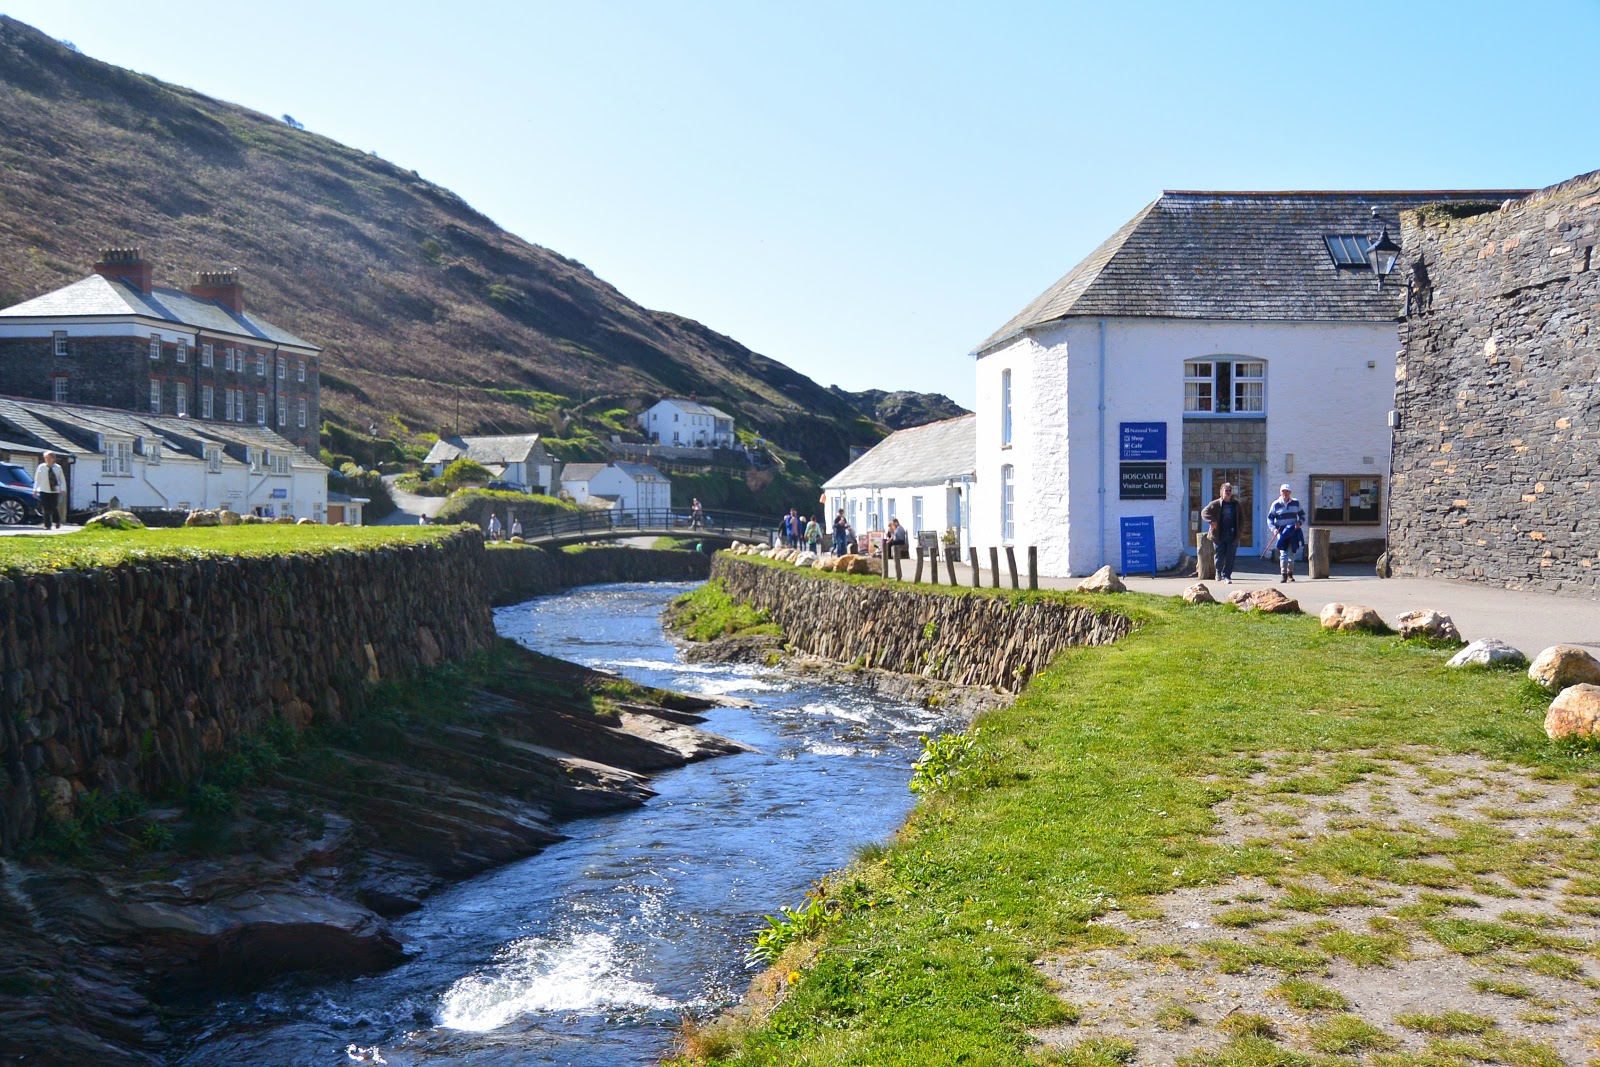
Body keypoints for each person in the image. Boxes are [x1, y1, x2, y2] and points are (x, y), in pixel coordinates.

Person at [1200, 482, 1243, 584]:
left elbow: (1242, 518)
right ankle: (1218, 572)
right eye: (1226, 491)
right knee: (1219, 556)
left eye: (1229, 491)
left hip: (1232, 534)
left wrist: (1239, 530)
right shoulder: (1216, 504)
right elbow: (1204, 512)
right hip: (1218, 534)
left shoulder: (1236, 504)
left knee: (1230, 557)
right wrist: (1212, 521)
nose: (1228, 493)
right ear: (1221, 492)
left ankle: (1227, 576)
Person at [1267, 483, 1306, 583]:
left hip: (1293, 531)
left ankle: (1290, 574)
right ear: (1280, 492)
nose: (1285, 493)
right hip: (1281, 532)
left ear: (1290, 492)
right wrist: (1274, 529)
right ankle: (1283, 575)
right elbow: (1270, 518)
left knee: (1292, 553)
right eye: (1283, 491)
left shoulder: (1296, 503)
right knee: (1283, 554)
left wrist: (1299, 523)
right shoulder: (1276, 504)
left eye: (1287, 491)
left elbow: (1302, 515)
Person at [33, 451, 65, 530]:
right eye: (46, 458)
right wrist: (35, 490)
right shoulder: (41, 467)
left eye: (49, 458)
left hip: (54, 490)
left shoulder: (58, 468)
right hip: (44, 489)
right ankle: (47, 525)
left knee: (53, 507)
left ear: (53, 458)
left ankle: (56, 521)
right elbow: (37, 479)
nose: (48, 460)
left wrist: (63, 489)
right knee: (45, 508)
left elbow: (62, 480)